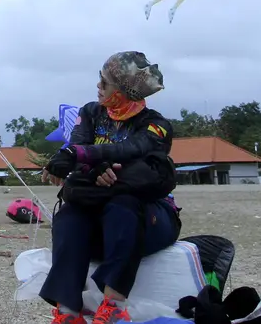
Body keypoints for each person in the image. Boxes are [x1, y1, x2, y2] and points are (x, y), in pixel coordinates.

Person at [39, 51, 181, 324]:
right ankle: (68, 312)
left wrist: (84, 159)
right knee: (69, 215)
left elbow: (133, 149)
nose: (98, 87)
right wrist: (94, 168)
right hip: (97, 211)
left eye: (105, 82)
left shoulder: (156, 125)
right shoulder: (91, 113)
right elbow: (78, 147)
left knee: (123, 205)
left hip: (149, 218)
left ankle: (114, 307)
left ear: (124, 90)